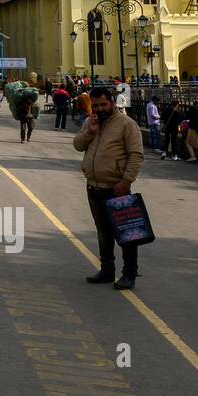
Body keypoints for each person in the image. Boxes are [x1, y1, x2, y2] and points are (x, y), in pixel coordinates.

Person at [74, 86, 144, 290]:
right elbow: (78, 145)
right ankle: (107, 270)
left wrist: (126, 182)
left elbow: (136, 155)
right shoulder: (91, 122)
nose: (99, 109)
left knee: (127, 235)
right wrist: (90, 131)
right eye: (95, 105)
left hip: (117, 189)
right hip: (94, 187)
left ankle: (129, 274)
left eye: (103, 104)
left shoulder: (126, 124)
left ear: (112, 103)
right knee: (103, 233)